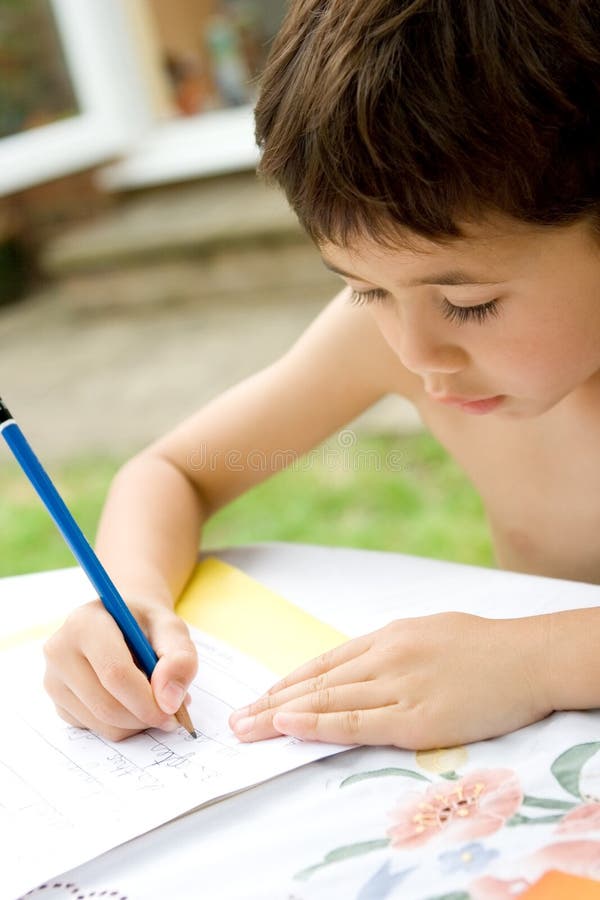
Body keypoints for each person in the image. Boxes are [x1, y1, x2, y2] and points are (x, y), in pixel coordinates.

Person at [43, 0, 600, 750]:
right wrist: (130, 597)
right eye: (366, 290)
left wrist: (534, 661)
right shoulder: (406, 330)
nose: (413, 351)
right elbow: (179, 470)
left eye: (469, 304)